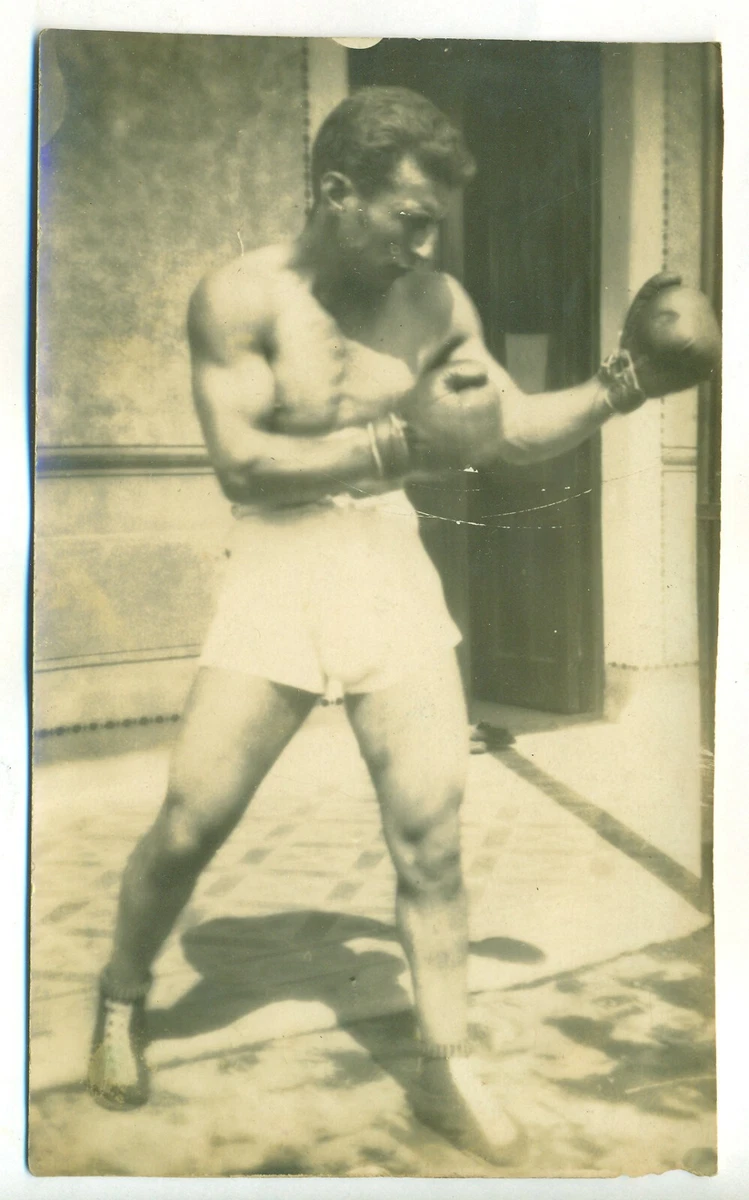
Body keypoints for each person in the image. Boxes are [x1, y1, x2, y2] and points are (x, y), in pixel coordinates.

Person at [87, 86, 720, 1164]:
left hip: (385, 558)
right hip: (276, 563)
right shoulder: (238, 300)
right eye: (407, 218)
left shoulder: (435, 305)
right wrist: (398, 443)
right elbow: (242, 461)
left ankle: (442, 1065)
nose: (425, 243)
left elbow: (504, 428)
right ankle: (118, 997)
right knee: (191, 824)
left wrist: (623, 386)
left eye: (433, 223)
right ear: (338, 193)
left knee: (429, 834)